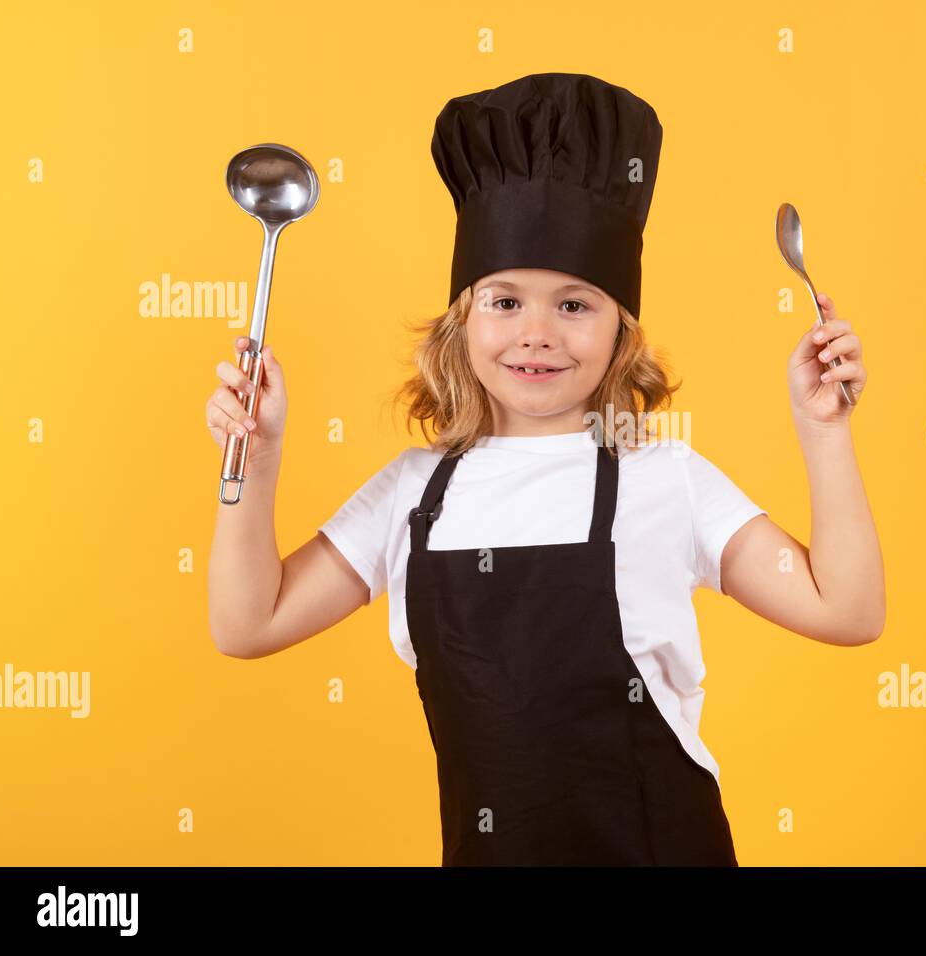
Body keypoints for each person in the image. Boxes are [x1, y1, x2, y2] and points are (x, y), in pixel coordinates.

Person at [205, 73, 885, 866]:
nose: (535, 334)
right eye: (503, 302)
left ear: (620, 329)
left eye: (573, 305)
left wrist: (824, 433)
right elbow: (246, 624)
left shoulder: (665, 479)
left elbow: (849, 612)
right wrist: (257, 455)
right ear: (462, 321)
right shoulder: (412, 492)